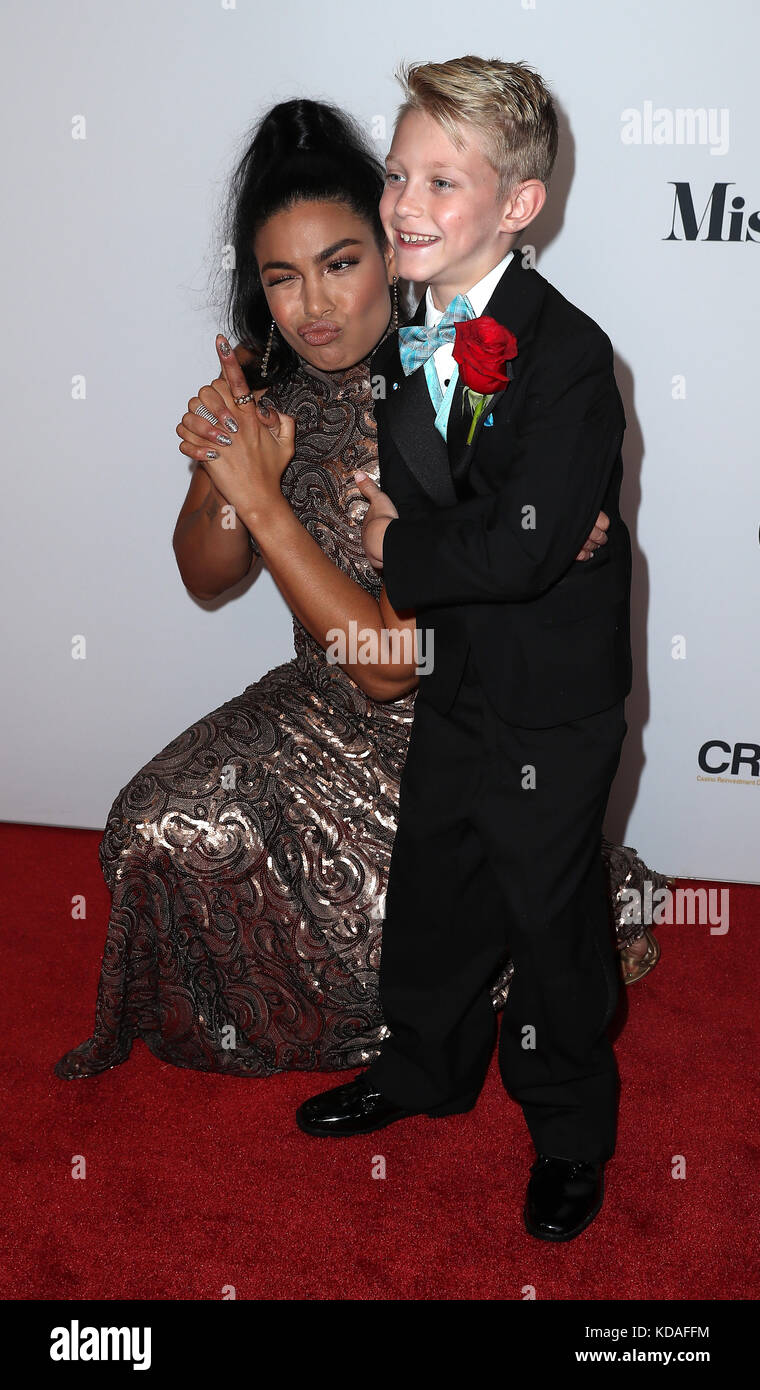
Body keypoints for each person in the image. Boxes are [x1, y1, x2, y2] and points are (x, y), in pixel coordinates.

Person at [54, 97, 665, 1086]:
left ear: (389, 249)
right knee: (149, 824)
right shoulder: (271, 383)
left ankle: (548, 927)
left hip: (448, 721)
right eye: (281, 278)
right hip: (311, 701)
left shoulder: (454, 384)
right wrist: (227, 460)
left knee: (420, 940)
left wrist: (267, 503)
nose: (313, 306)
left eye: (340, 262)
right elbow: (205, 577)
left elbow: (391, 666)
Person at [296, 58, 648, 1244]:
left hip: (552, 697)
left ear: (517, 206)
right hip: (459, 674)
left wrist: (414, 541)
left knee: (547, 918)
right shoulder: (415, 328)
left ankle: (567, 1129)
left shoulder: (567, 354)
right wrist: (483, 536)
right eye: (398, 173)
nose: (401, 203)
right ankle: (425, 1068)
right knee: (439, 886)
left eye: (442, 181)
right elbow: (502, 524)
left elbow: (528, 545)